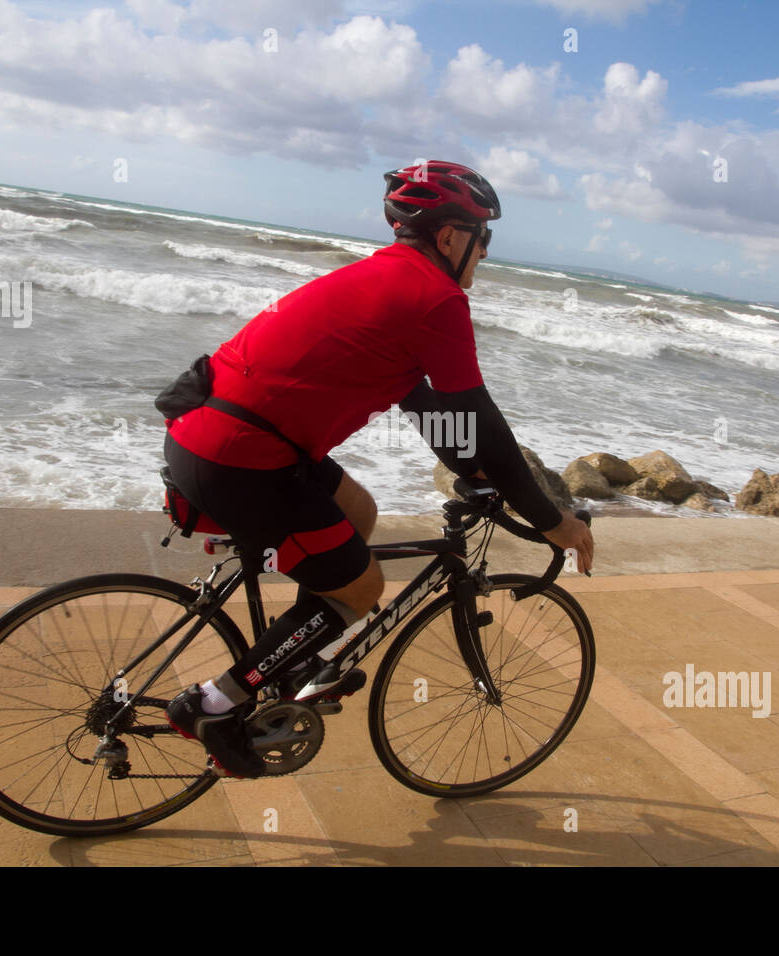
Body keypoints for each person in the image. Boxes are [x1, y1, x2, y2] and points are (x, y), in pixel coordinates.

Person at [163, 160, 595, 777]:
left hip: (207, 433)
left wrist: (471, 475)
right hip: (244, 458)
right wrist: (553, 521)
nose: (485, 254)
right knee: (363, 590)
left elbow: (432, 408)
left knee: (359, 512)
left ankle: (297, 650)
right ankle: (212, 705)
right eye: (484, 238)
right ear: (450, 237)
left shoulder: (387, 277)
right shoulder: (436, 296)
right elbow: (486, 427)